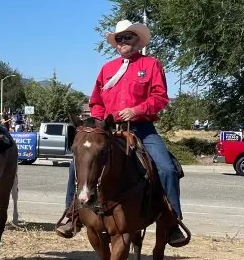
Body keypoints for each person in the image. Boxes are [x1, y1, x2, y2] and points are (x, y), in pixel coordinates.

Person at [56, 19, 188, 247]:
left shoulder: (151, 64)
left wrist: (136, 110)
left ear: (138, 40)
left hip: (141, 128)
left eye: (128, 37)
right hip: (108, 130)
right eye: (119, 38)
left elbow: (160, 98)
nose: (123, 41)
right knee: (75, 165)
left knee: (166, 168)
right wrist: (101, 122)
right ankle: (73, 214)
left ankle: (171, 220)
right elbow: (96, 102)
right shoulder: (107, 69)